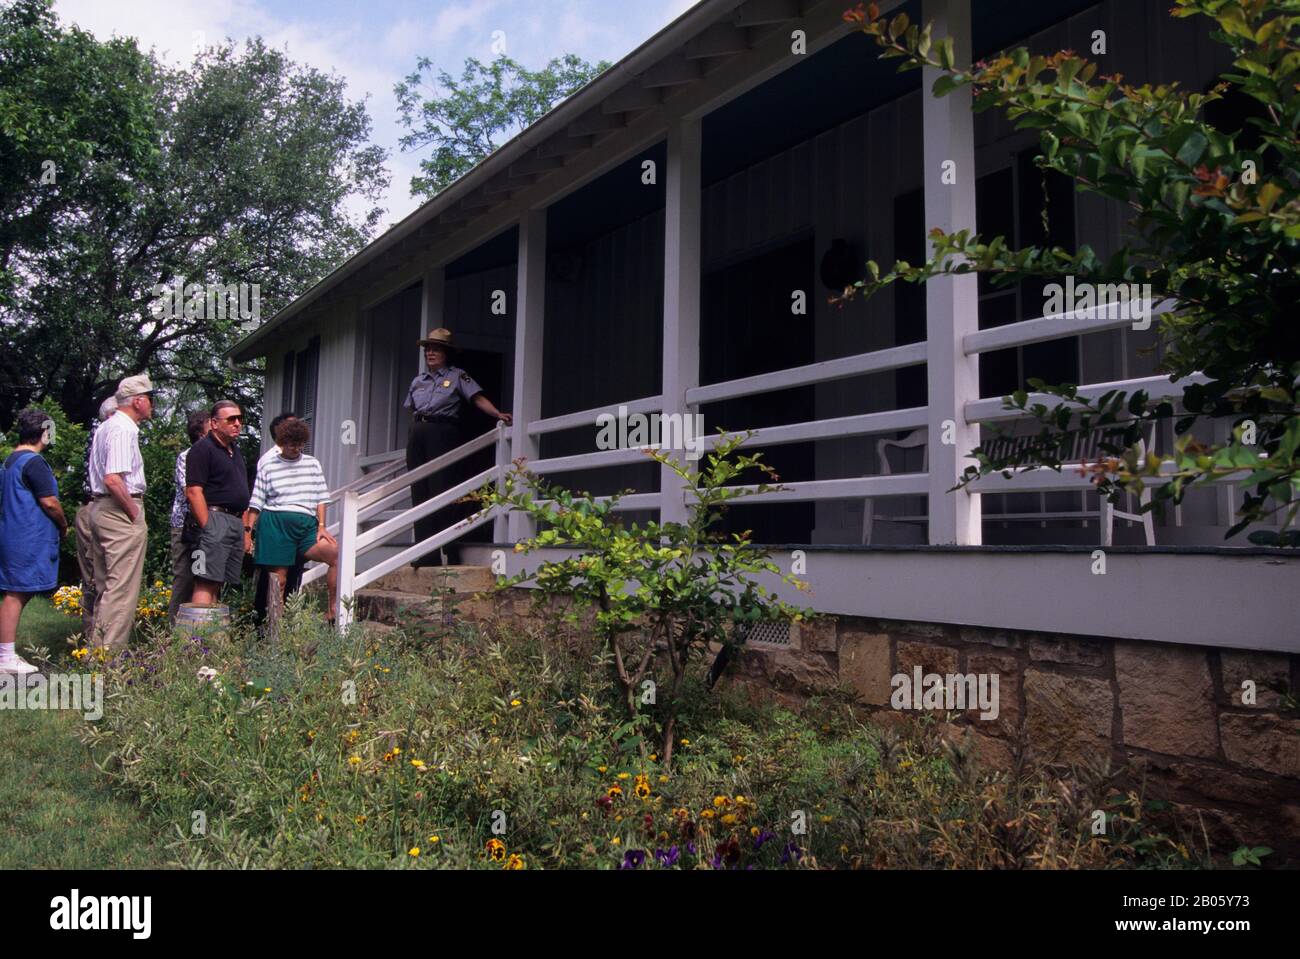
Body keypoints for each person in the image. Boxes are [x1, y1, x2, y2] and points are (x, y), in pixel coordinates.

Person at [404, 328, 511, 566]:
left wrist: (497, 413)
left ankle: (450, 548)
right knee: (420, 492)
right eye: (428, 349)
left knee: (442, 491)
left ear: (447, 353)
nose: (431, 353)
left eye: (436, 349)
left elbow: (476, 398)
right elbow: (412, 410)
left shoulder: (457, 376)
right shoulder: (417, 381)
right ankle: (426, 553)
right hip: (419, 433)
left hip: (443, 433)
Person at [246, 418, 338, 624]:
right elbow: (256, 502)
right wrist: (247, 531)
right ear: (281, 443)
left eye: (299, 444)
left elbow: (321, 497)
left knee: (334, 554)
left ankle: (333, 610)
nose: (295, 448)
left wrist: (322, 526)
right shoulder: (268, 466)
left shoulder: (312, 464)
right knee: (280, 580)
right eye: (290, 444)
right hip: (275, 525)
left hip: (306, 526)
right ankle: (275, 629)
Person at [0, 409, 69, 674]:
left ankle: (5, 653)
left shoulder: (10, 461)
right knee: (15, 593)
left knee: (16, 592)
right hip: (25, 537)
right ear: (44, 432)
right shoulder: (33, 462)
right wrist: (63, 524)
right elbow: (50, 502)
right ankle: (5, 656)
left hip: (13, 534)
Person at [88, 374, 153, 650]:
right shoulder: (123, 429)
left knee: (106, 587)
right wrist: (134, 514)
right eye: (149, 398)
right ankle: (107, 662)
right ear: (137, 401)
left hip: (101, 508)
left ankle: (95, 654)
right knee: (122, 589)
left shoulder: (106, 426)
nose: (151, 404)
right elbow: (113, 479)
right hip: (119, 509)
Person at [185, 400, 250, 606]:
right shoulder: (202, 449)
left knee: (218, 582)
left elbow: (243, 493)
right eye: (231, 419)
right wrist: (208, 528)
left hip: (234, 521)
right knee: (205, 581)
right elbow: (194, 492)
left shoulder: (235, 450)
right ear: (214, 423)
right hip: (213, 519)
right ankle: (197, 638)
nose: (238, 423)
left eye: (240, 419)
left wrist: (246, 530)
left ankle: (212, 636)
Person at [74, 396, 119, 640]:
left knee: (99, 574)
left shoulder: (104, 432)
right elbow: (111, 480)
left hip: (96, 507)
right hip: (97, 507)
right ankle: (94, 637)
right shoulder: (106, 432)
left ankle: (96, 636)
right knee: (95, 575)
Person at [253, 412, 304, 624]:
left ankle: (287, 622)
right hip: (275, 528)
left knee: (293, 578)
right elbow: (260, 497)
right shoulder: (270, 460)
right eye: (291, 427)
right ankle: (265, 624)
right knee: (272, 579)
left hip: (296, 529)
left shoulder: (300, 459)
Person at [167, 409, 212, 624]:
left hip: (209, 526)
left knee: (204, 577)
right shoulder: (187, 456)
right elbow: (190, 492)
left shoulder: (219, 455)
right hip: (185, 526)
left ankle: (202, 630)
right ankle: (174, 632)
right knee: (185, 578)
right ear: (200, 433)